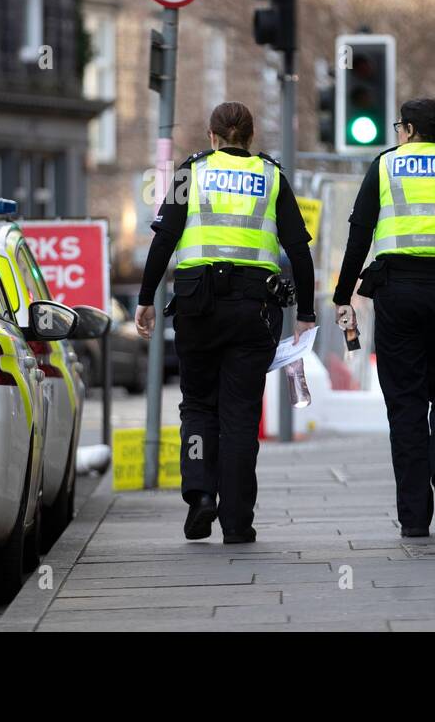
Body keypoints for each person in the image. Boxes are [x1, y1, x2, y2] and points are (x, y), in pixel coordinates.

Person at [135, 102, 316, 544]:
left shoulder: (189, 172)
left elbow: (164, 240)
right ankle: (237, 522)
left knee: (198, 406)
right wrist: (306, 313)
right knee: (239, 416)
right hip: (255, 310)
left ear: (212, 136)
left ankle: (200, 496)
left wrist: (145, 300)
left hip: (198, 306)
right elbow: (298, 250)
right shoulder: (272, 176)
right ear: (250, 137)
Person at [333, 98, 435, 537]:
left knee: (405, 404)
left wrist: (342, 293)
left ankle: (413, 517)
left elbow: (358, 233)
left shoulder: (385, 166)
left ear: (407, 129)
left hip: (398, 294)